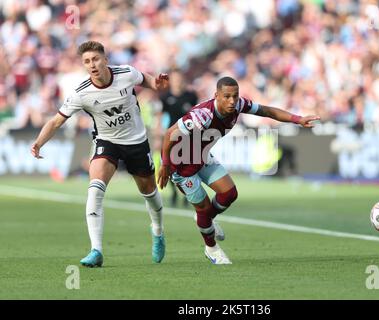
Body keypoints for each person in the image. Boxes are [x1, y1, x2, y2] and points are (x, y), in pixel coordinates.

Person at [30, 41, 169, 267]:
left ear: (105, 59)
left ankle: (158, 231)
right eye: (86, 61)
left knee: (149, 191)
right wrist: (38, 142)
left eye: (95, 59)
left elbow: (147, 80)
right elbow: (56, 121)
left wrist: (157, 82)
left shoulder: (126, 73)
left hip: (136, 141)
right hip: (107, 142)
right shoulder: (81, 93)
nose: (92, 65)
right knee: (95, 189)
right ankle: (96, 250)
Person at [157, 76, 320, 264]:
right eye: (227, 96)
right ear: (216, 95)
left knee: (229, 194)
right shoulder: (203, 116)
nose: (232, 101)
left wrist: (297, 119)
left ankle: (205, 219)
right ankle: (211, 249)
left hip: (201, 156)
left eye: (235, 96)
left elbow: (266, 111)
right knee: (203, 207)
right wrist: (166, 164)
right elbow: (170, 134)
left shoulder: (239, 105)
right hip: (181, 164)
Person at [158, 70, 198, 207]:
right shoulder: (165, 97)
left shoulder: (191, 96)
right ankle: (173, 191)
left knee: (187, 165)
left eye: (179, 79)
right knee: (168, 165)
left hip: (188, 135)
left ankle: (187, 191)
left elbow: (196, 113)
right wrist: (159, 135)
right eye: (174, 79)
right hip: (171, 136)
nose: (177, 81)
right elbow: (160, 115)